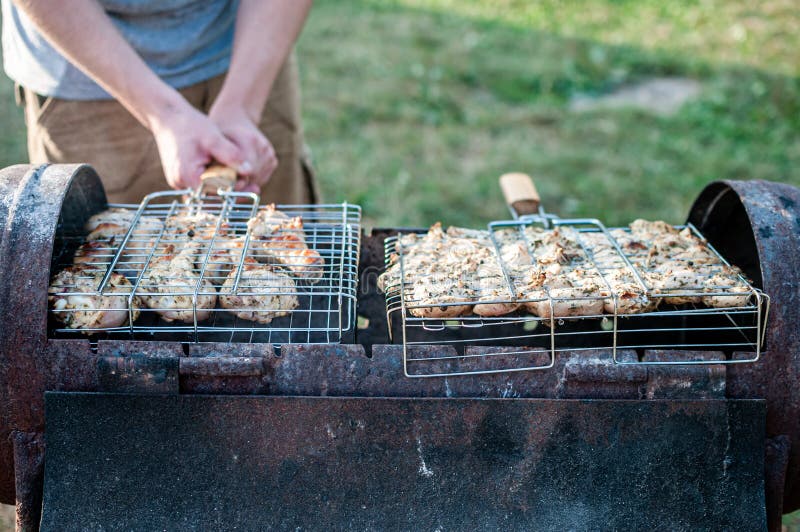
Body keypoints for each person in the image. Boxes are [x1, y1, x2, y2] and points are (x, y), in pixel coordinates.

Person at [1, 0, 319, 204]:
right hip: (86, 71)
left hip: (252, 43)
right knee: (105, 275)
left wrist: (243, 105)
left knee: (282, 251)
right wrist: (163, 116)